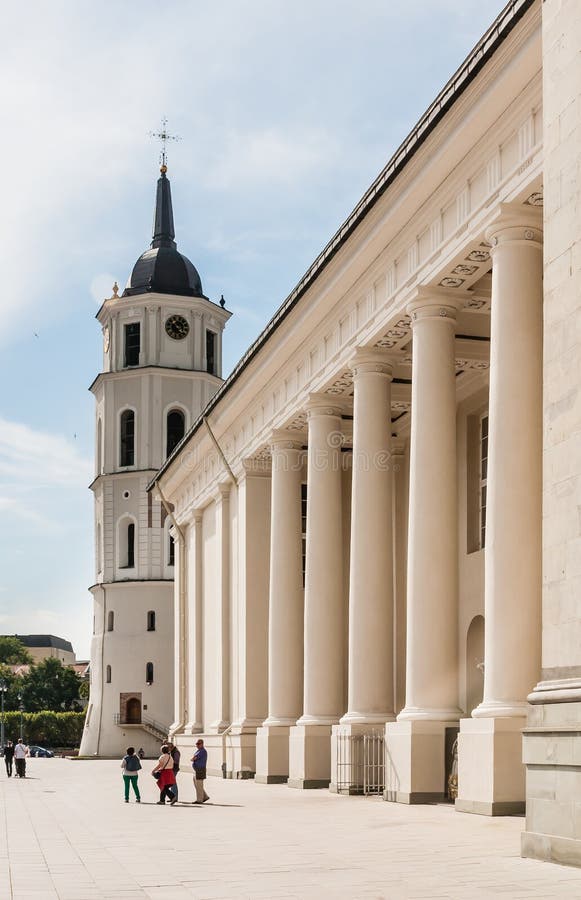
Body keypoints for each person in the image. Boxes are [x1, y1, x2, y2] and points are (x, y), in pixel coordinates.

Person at [191, 738, 210, 804]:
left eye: (198, 744)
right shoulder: (199, 750)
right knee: (196, 784)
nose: (197, 745)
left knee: (199, 784)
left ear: (202, 744)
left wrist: (193, 759)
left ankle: (199, 800)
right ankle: (205, 796)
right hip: (197, 769)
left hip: (200, 769)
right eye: (196, 744)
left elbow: (194, 758)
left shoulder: (202, 751)